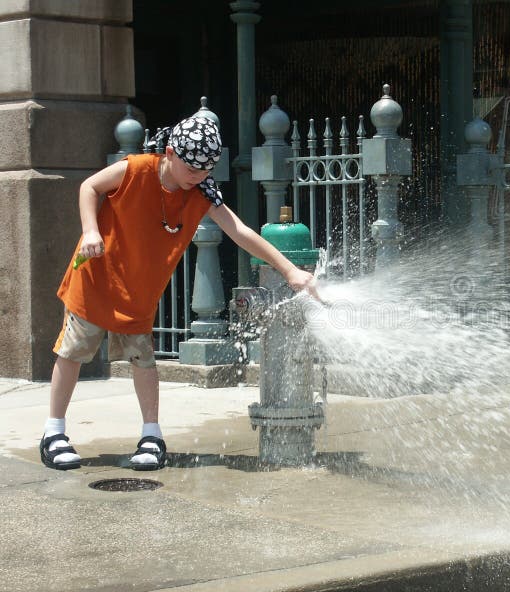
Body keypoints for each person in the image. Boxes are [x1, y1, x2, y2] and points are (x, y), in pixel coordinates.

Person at [40, 115, 316, 471]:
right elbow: (89, 187)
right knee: (73, 352)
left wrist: (290, 270)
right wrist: (91, 230)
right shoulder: (135, 169)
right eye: (192, 169)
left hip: (138, 291)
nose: (198, 177)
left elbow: (241, 231)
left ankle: (151, 436)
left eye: (205, 171)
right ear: (170, 153)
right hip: (96, 278)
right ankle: (54, 432)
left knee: (143, 360)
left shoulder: (201, 193)